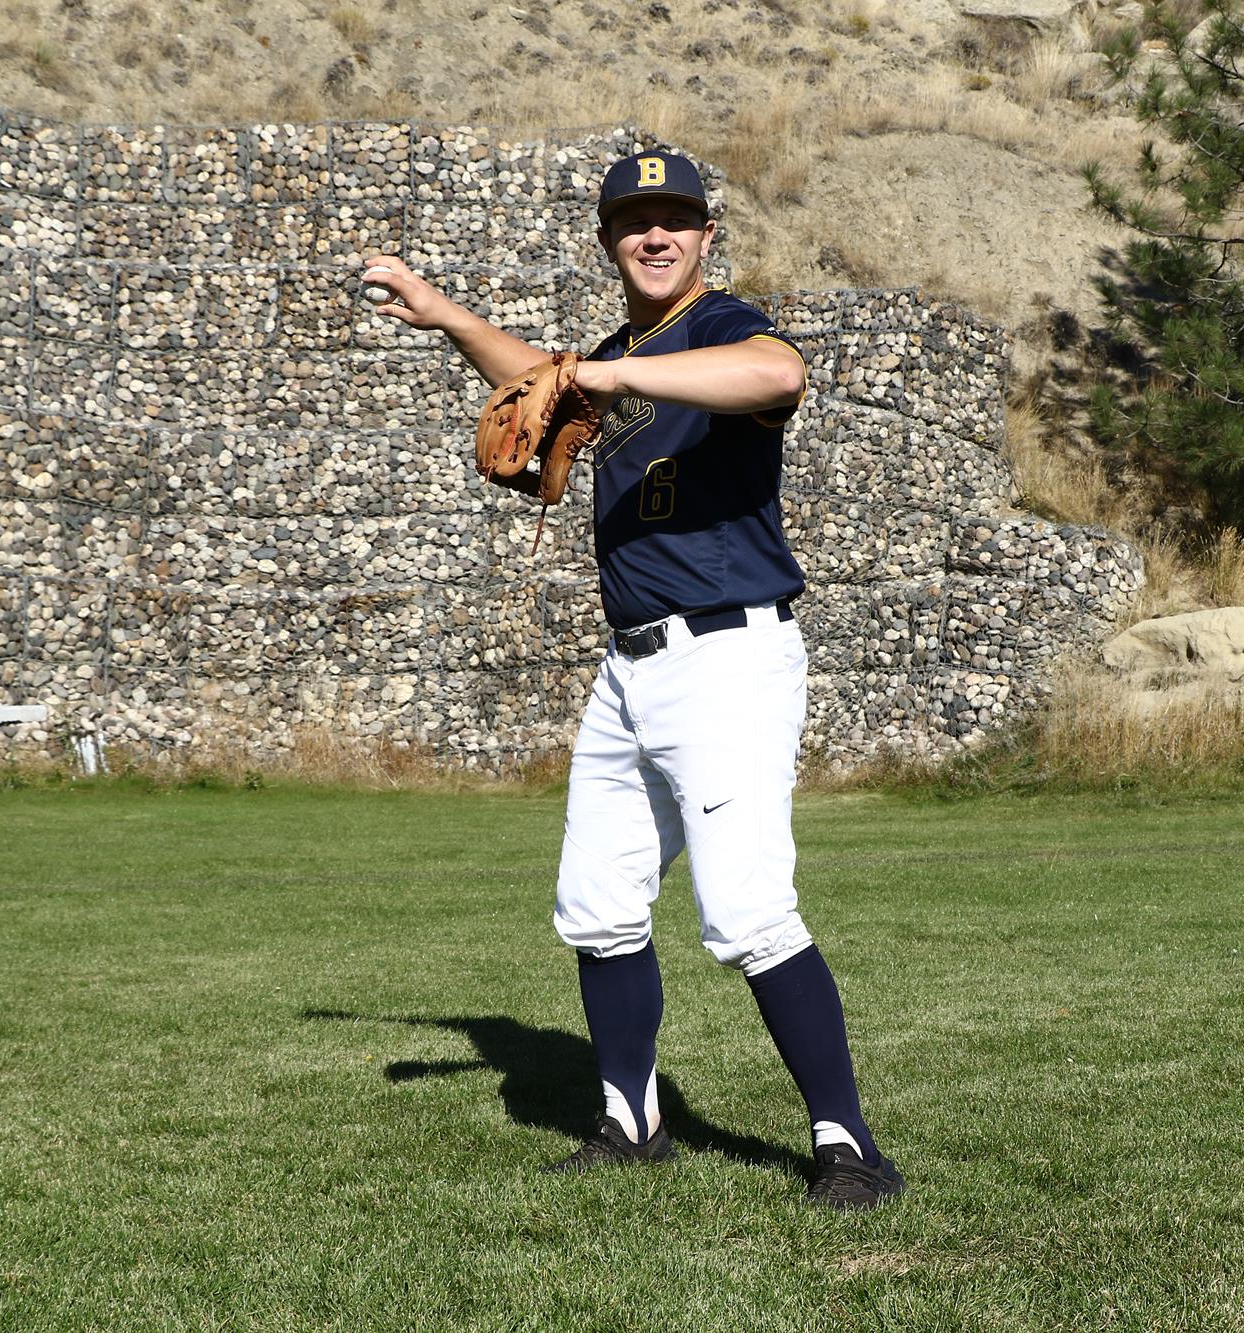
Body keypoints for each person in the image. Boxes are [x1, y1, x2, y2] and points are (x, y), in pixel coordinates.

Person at [361, 149, 904, 1209]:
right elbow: (544, 375)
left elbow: (776, 374)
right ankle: (630, 1120)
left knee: (746, 911)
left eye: (673, 220)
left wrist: (606, 376)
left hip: (727, 655)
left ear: (706, 236)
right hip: (631, 666)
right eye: (631, 222)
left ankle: (848, 1147)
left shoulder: (716, 327)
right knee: (597, 904)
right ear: (607, 240)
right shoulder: (619, 351)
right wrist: (447, 316)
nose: (652, 236)